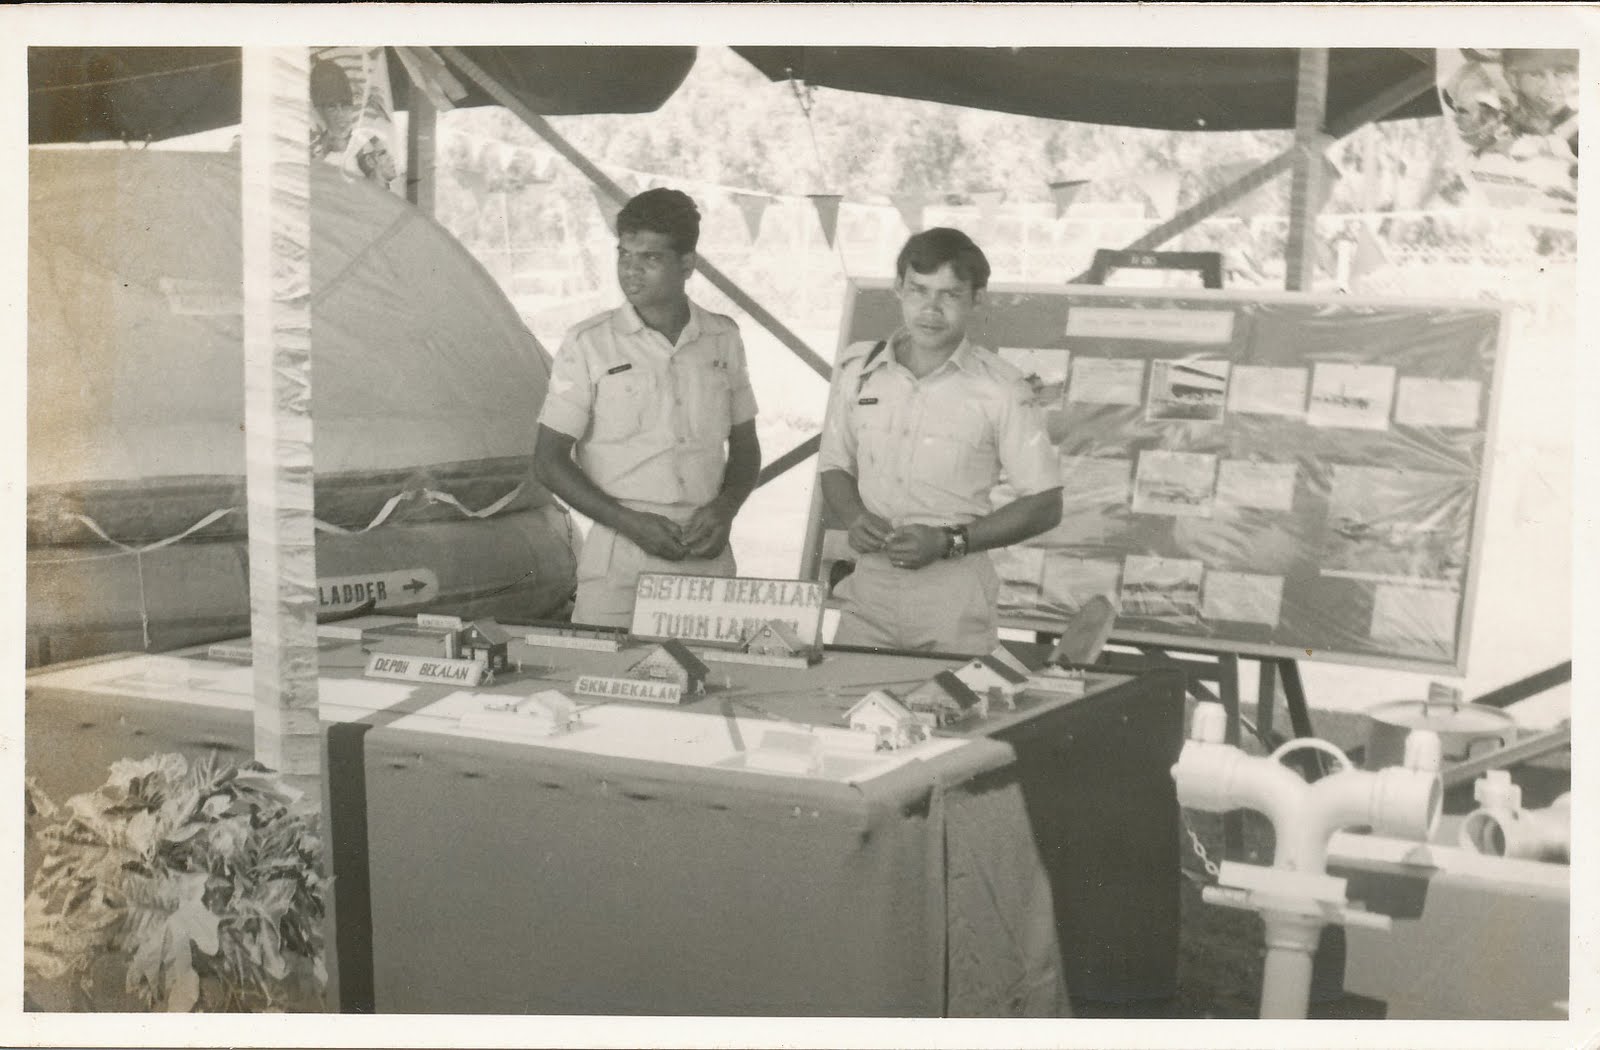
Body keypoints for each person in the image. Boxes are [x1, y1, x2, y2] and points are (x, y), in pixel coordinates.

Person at [818, 227, 1062, 655]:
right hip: (867, 592)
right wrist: (854, 516)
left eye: (949, 295)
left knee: (949, 714)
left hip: (952, 597)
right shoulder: (858, 369)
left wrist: (950, 541)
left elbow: (1045, 503)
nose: (930, 309)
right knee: (847, 709)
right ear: (898, 289)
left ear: (977, 299)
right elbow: (834, 464)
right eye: (918, 290)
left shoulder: (1003, 387)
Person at [534, 188, 761, 627]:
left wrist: (725, 510)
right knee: (600, 683)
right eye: (624, 255)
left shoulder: (722, 338)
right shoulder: (589, 343)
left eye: (650, 259)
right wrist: (630, 523)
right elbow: (547, 461)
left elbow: (746, 446)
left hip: (704, 552)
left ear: (687, 265)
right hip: (621, 555)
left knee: (709, 685)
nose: (631, 272)